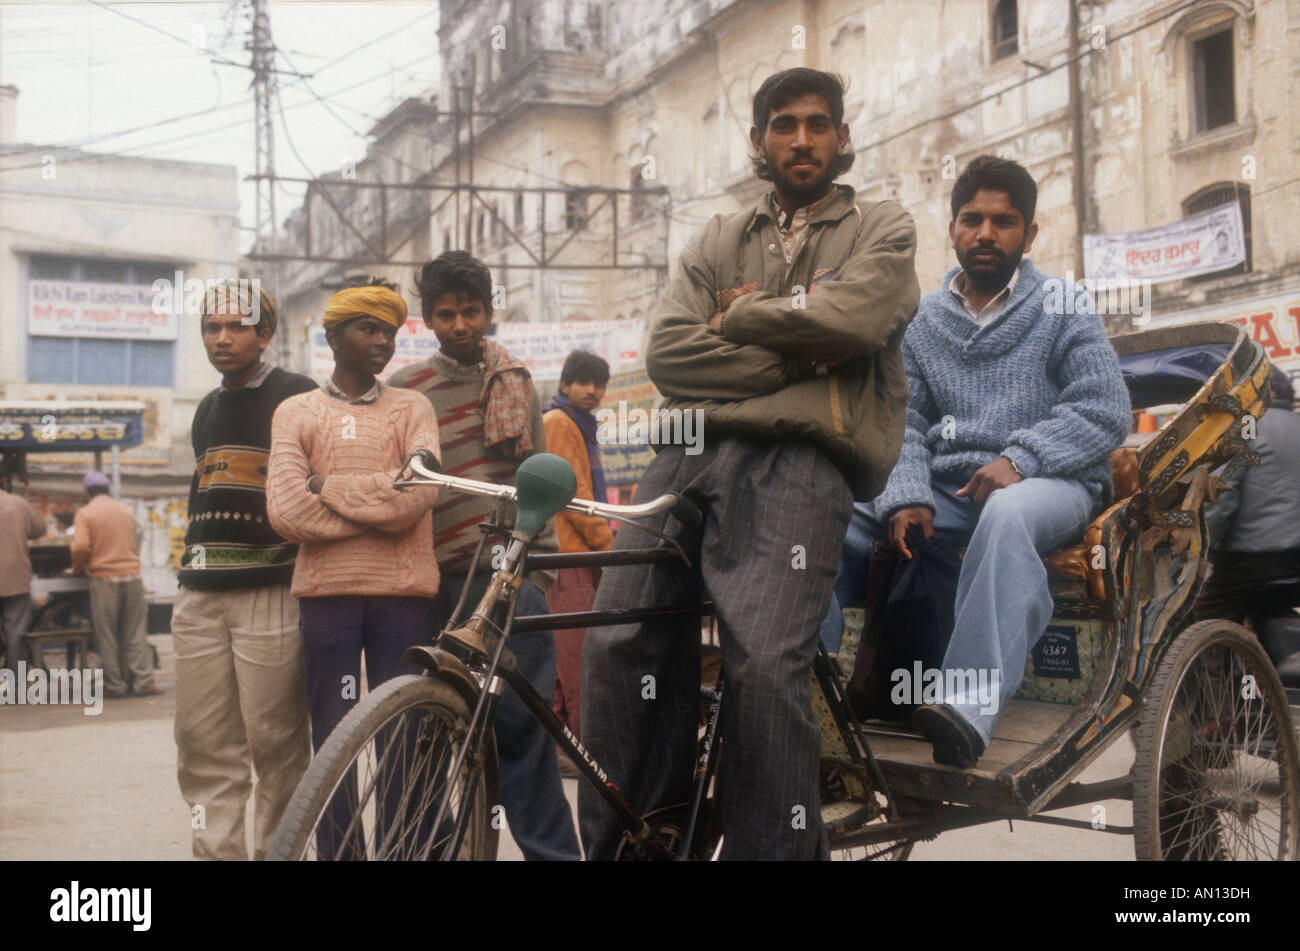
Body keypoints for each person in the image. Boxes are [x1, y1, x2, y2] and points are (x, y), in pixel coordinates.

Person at [578, 68, 921, 860]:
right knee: (615, 638)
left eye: (817, 124)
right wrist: (797, 359)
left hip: (802, 455)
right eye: (784, 124)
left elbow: (855, 317)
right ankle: (642, 843)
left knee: (764, 666)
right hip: (690, 443)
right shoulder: (716, 237)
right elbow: (668, 350)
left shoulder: (882, 224)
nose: (802, 138)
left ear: (841, 137)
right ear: (759, 140)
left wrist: (742, 318)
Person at [823, 155, 1131, 768]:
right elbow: (902, 419)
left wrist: (1021, 458)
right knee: (822, 516)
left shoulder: (1063, 303)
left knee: (1008, 514)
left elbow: (1105, 409)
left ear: (1030, 235)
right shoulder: (922, 320)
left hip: (1053, 483)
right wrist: (907, 492)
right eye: (972, 220)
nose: (986, 233)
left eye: (1004, 221)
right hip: (948, 488)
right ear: (953, 228)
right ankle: (810, 688)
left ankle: (966, 706)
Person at [389, 250, 581, 861]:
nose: (461, 326)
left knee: (522, 733)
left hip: (509, 578)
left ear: (489, 310)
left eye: (471, 311)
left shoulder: (518, 383)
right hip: (432, 581)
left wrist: (539, 579)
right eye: (445, 314)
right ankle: (446, 851)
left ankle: (554, 856)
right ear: (427, 318)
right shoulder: (405, 391)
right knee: (433, 730)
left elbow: (543, 482)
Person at [266, 280, 440, 859]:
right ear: (333, 336)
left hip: (403, 597)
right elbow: (287, 509)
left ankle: (398, 851)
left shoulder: (413, 408)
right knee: (334, 740)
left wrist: (328, 488)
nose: (383, 342)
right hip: (327, 598)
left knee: (401, 733)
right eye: (369, 329)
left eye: (390, 332)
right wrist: (380, 510)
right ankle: (341, 856)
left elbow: (418, 496)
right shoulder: (296, 412)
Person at [172, 281, 317, 861]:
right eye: (212, 327)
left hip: (271, 589)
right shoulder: (206, 408)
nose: (222, 338)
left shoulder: (298, 396)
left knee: (278, 743)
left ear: (266, 333)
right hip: (199, 594)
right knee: (202, 744)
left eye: (237, 327)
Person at [542, 349, 615, 743]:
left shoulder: (580, 425)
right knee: (576, 660)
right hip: (568, 556)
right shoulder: (560, 422)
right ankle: (583, 749)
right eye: (583, 382)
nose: (592, 390)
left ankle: (561, 746)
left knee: (564, 658)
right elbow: (572, 494)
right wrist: (610, 548)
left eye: (599, 383)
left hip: (572, 555)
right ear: (565, 384)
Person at [1194, 374, 1300, 630]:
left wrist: (1204, 547)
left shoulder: (1245, 429)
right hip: (1295, 555)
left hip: (1250, 558)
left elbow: (1221, 497)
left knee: (1204, 623)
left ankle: (1215, 669)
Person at [70, 471, 159, 698]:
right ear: (108, 490)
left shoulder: (86, 513)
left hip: (104, 578)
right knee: (136, 631)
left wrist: (79, 568)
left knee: (107, 634)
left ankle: (115, 684)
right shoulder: (125, 511)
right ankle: (143, 681)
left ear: (86, 492)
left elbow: (80, 547)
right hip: (132, 576)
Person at [0, 485, 46, 672]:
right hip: (15, 577)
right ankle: (14, 683)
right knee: (16, 632)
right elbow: (39, 529)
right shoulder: (18, 503)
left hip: (14, 578)